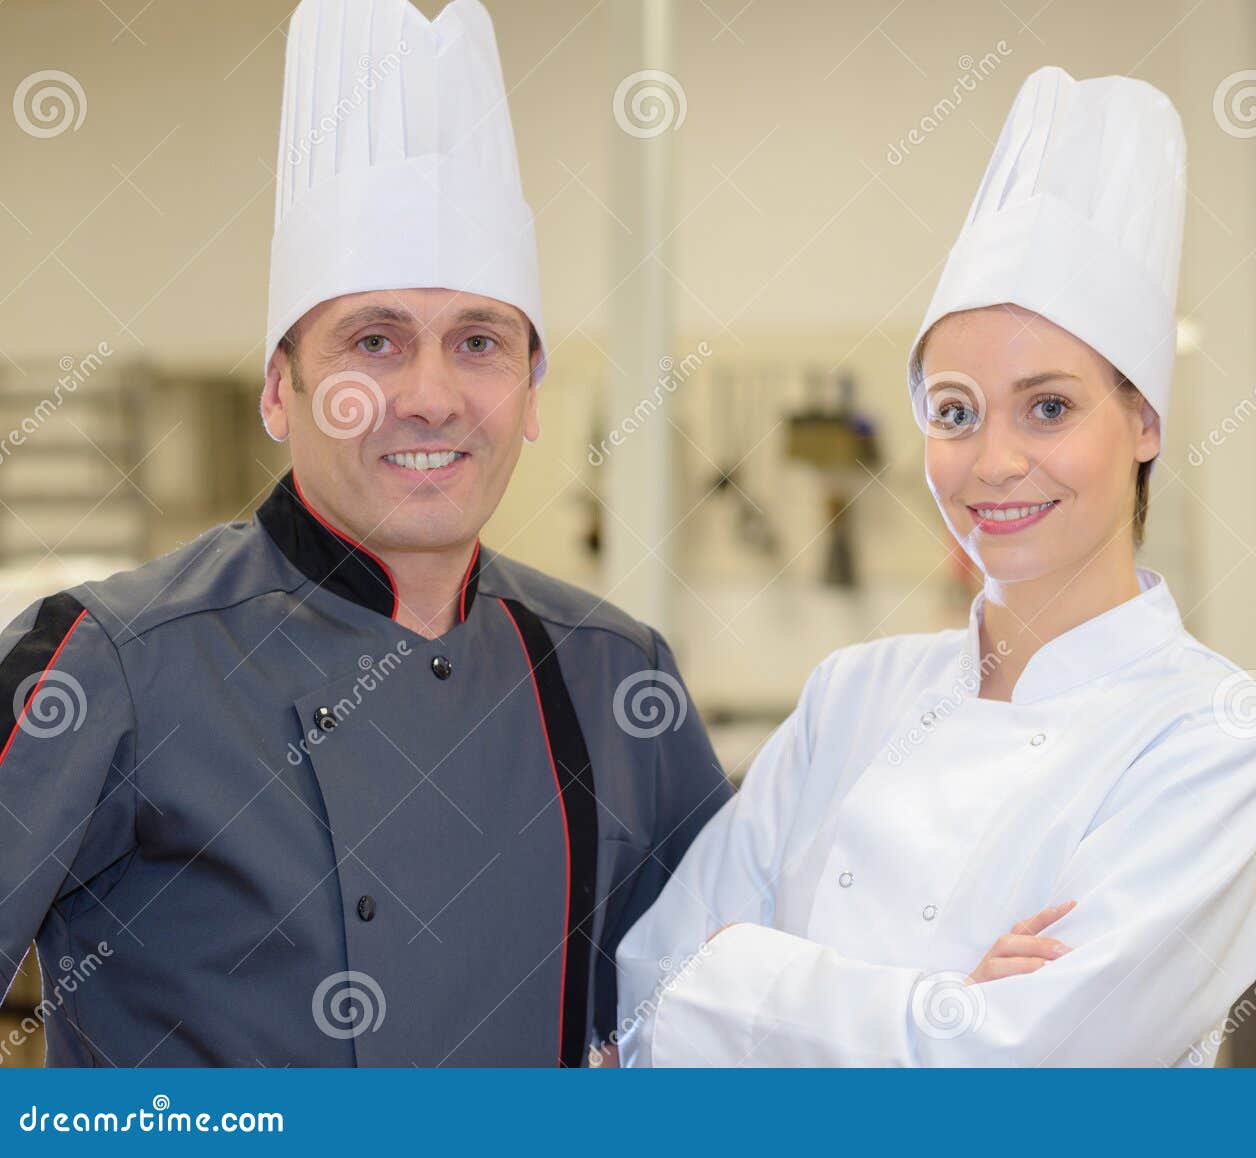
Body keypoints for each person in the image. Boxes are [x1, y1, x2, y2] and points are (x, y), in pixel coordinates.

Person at [0, 0, 728, 1066]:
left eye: (478, 341)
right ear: (278, 393)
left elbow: (726, 1007)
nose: (430, 397)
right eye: (373, 341)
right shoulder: (110, 664)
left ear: (529, 392)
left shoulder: (617, 674)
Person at [614, 66, 1256, 1067]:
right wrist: (945, 1001)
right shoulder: (853, 694)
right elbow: (649, 997)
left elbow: (1028, 1074)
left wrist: (749, 977)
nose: (994, 461)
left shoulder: (1209, 734)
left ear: (1143, 420)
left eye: (1049, 407)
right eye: (954, 412)